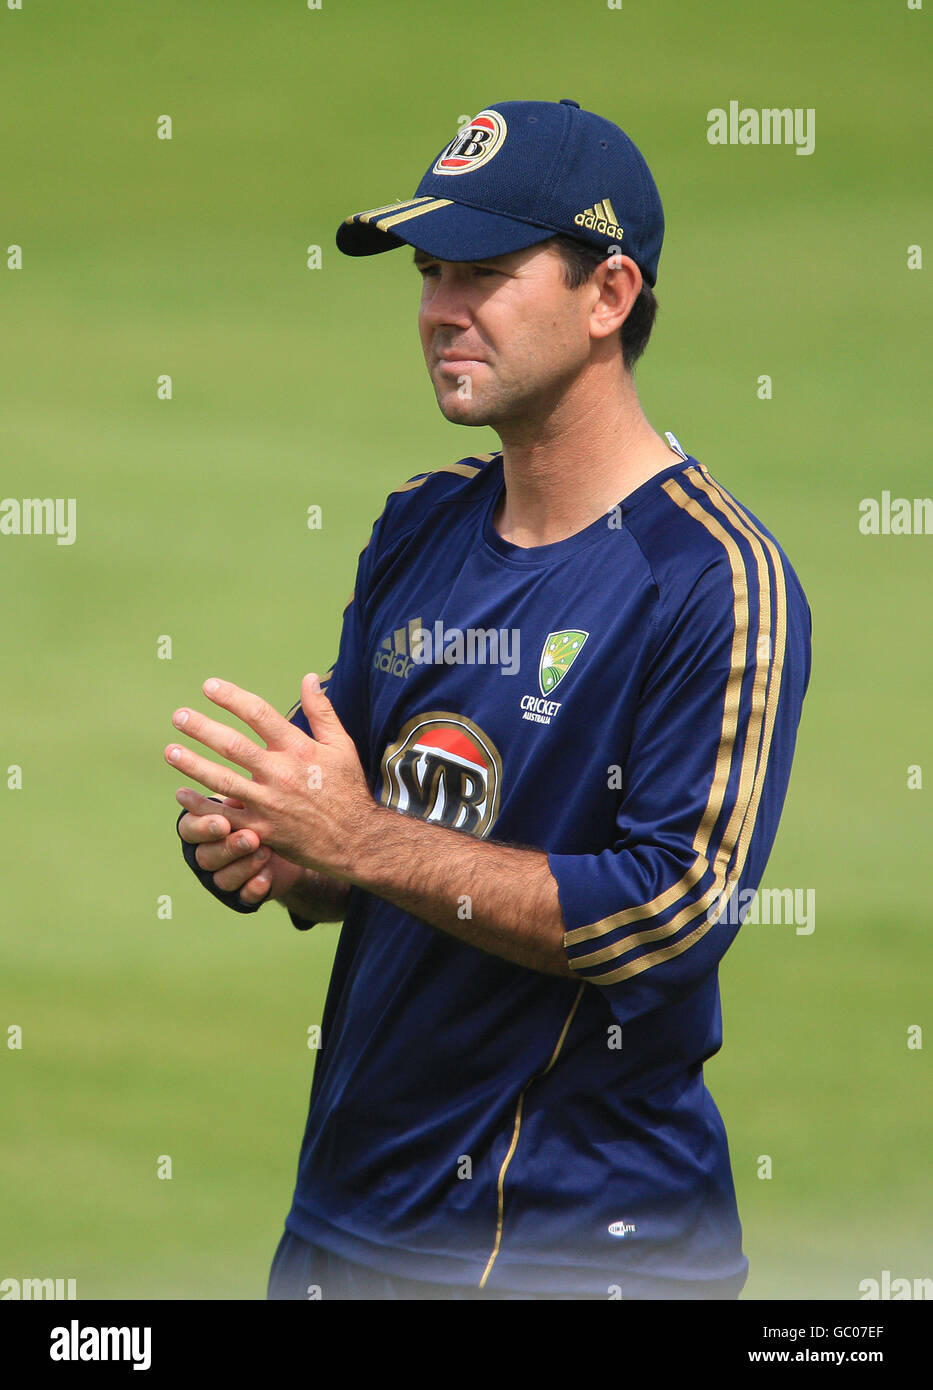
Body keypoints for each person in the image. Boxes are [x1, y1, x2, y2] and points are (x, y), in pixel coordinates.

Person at [169, 99, 812, 1300]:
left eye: (484, 272)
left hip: (577, 1247)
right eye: (428, 271)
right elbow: (370, 833)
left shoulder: (712, 579)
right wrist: (278, 842)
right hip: (349, 1222)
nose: (437, 310)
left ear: (608, 294)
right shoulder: (421, 522)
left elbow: (670, 915)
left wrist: (357, 837)